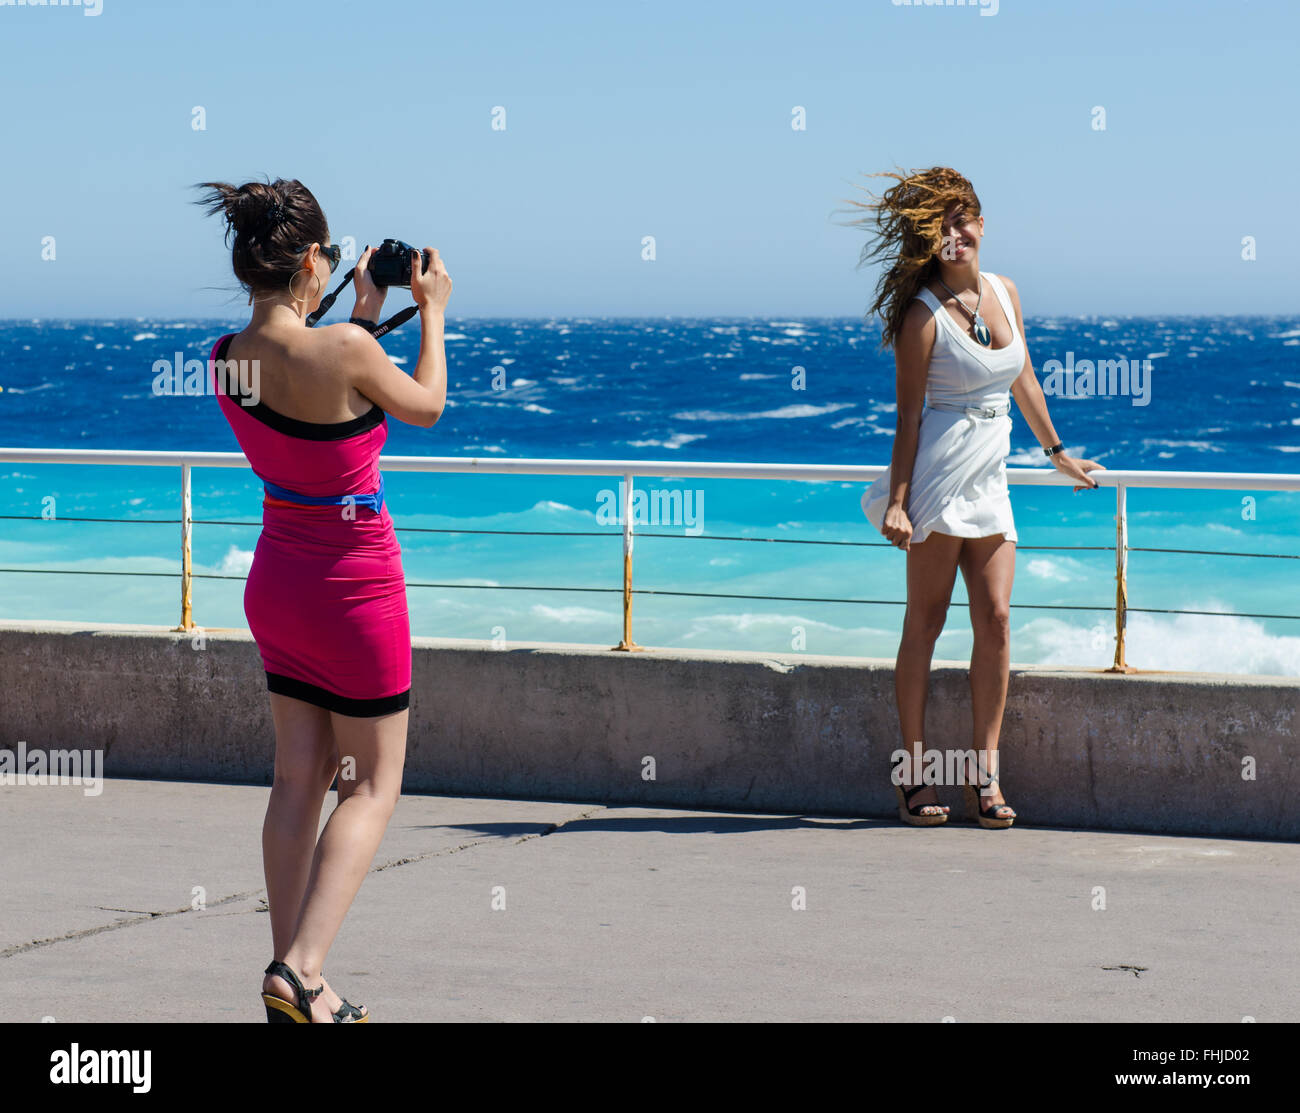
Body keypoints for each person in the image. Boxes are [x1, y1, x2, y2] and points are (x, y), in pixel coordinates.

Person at [195, 177, 451, 1019]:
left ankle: (293, 970)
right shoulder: (348, 349)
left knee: (296, 774)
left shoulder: (226, 359)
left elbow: (325, 396)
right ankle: (301, 968)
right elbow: (425, 406)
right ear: (312, 260)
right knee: (372, 784)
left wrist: (366, 307)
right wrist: (434, 310)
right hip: (355, 586)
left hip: (278, 582)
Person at [849, 167, 1103, 828]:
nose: (955, 234)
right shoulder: (921, 315)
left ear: (982, 226)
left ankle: (984, 776)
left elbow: (1024, 381)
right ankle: (912, 774)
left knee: (994, 618)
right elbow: (907, 419)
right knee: (925, 625)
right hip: (937, 475)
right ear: (930, 241)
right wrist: (900, 500)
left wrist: (1057, 454)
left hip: (991, 477)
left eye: (963, 221)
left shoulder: (1006, 292)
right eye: (941, 226)